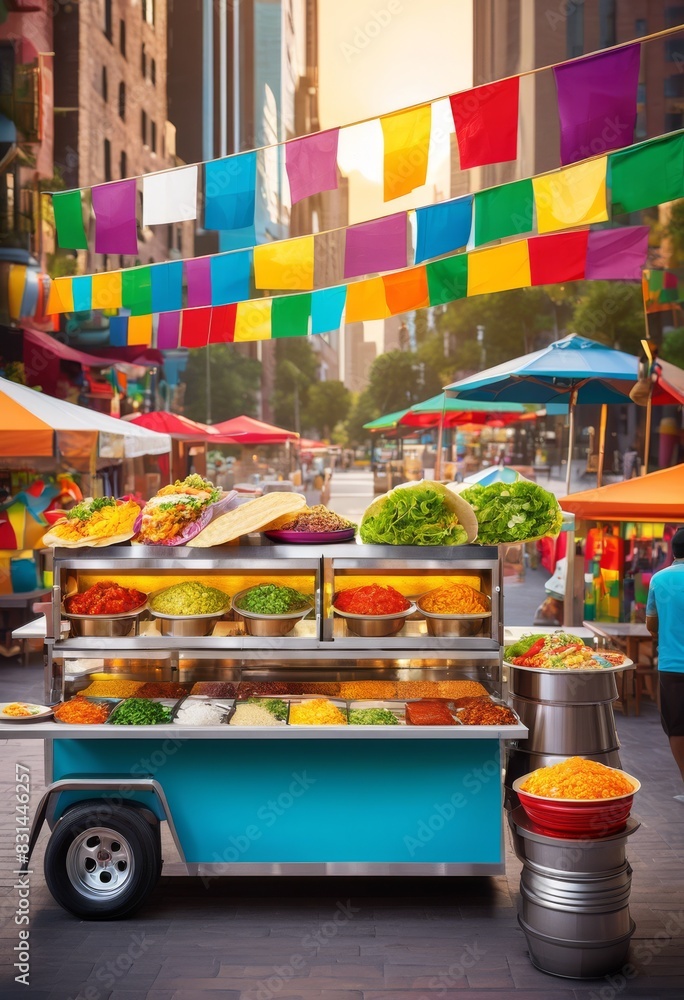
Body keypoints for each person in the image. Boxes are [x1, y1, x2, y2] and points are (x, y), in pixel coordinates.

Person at [646, 525, 684, 802]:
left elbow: (651, 625)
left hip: (671, 665)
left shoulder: (659, 580)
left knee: (676, 726)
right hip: (670, 663)